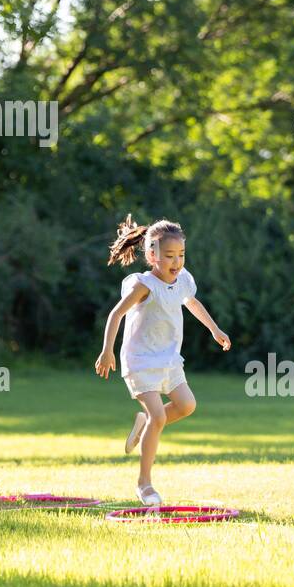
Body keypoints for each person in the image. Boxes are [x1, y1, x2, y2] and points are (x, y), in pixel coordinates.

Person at [94, 214, 231, 506]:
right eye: (170, 256)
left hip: (169, 359)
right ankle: (144, 484)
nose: (176, 262)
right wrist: (107, 350)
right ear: (152, 254)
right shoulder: (143, 285)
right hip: (140, 360)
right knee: (158, 417)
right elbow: (116, 314)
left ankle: (143, 427)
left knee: (187, 405)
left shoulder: (183, 280)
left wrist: (214, 329)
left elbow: (192, 302)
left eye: (181, 255)